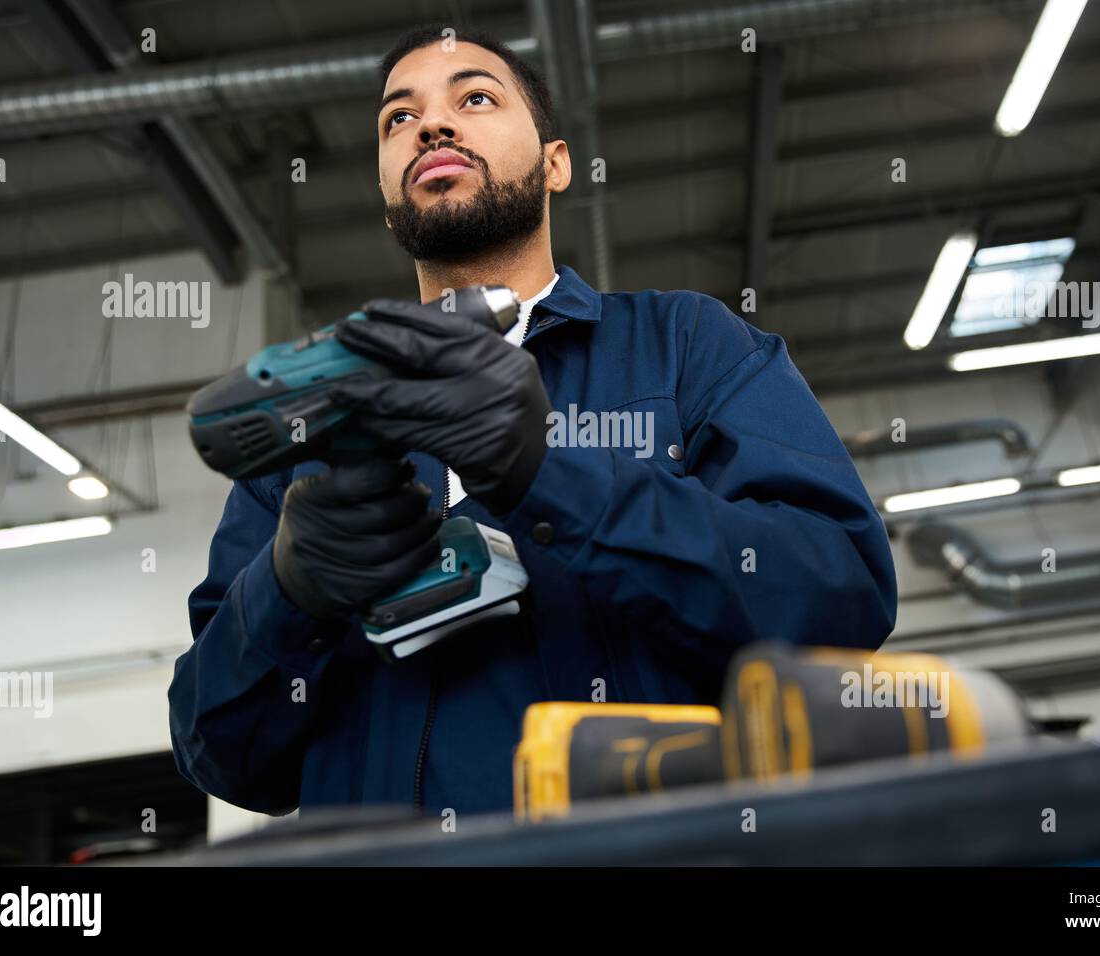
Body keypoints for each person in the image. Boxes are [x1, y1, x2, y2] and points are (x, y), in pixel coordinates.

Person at [169, 25, 896, 817]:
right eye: (398, 118)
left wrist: (550, 476)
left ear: (556, 164)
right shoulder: (315, 432)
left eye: (475, 99)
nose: (432, 125)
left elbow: (842, 597)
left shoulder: (683, 344)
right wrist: (287, 594)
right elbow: (219, 755)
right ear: (387, 201)